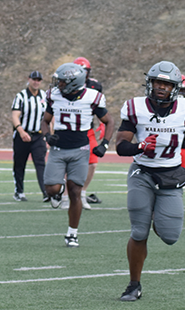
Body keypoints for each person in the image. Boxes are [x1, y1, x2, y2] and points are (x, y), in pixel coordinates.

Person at [115, 61, 185, 301]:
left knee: (170, 236)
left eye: (166, 84)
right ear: (149, 83)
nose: (161, 87)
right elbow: (120, 146)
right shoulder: (135, 107)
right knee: (139, 231)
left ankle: (156, 216)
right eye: (157, 82)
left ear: (175, 87)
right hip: (142, 173)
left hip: (171, 176)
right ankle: (134, 285)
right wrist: (140, 146)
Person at [40, 62, 114, 247]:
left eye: (62, 82)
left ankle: (72, 234)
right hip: (58, 149)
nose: (58, 85)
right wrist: (47, 136)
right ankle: (59, 192)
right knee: (51, 189)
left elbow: (109, 121)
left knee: (75, 192)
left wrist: (104, 144)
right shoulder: (54, 95)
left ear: (73, 83)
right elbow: (45, 120)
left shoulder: (92, 97)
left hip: (80, 150)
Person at [10, 70, 48, 202]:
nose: (36, 82)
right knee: (19, 164)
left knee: (41, 164)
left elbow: (49, 117)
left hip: (38, 136)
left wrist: (49, 134)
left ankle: (46, 192)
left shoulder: (44, 96)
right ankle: (19, 191)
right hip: (22, 135)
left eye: (38, 80)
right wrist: (21, 132)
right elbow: (15, 116)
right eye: (34, 79)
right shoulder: (21, 96)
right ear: (29, 80)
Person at [73, 57, 106, 209]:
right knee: (69, 162)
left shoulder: (94, 86)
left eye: (84, 71)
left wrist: (102, 123)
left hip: (87, 129)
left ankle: (82, 193)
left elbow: (100, 107)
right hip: (70, 130)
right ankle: (66, 196)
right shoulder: (66, 85)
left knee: (92, 162)